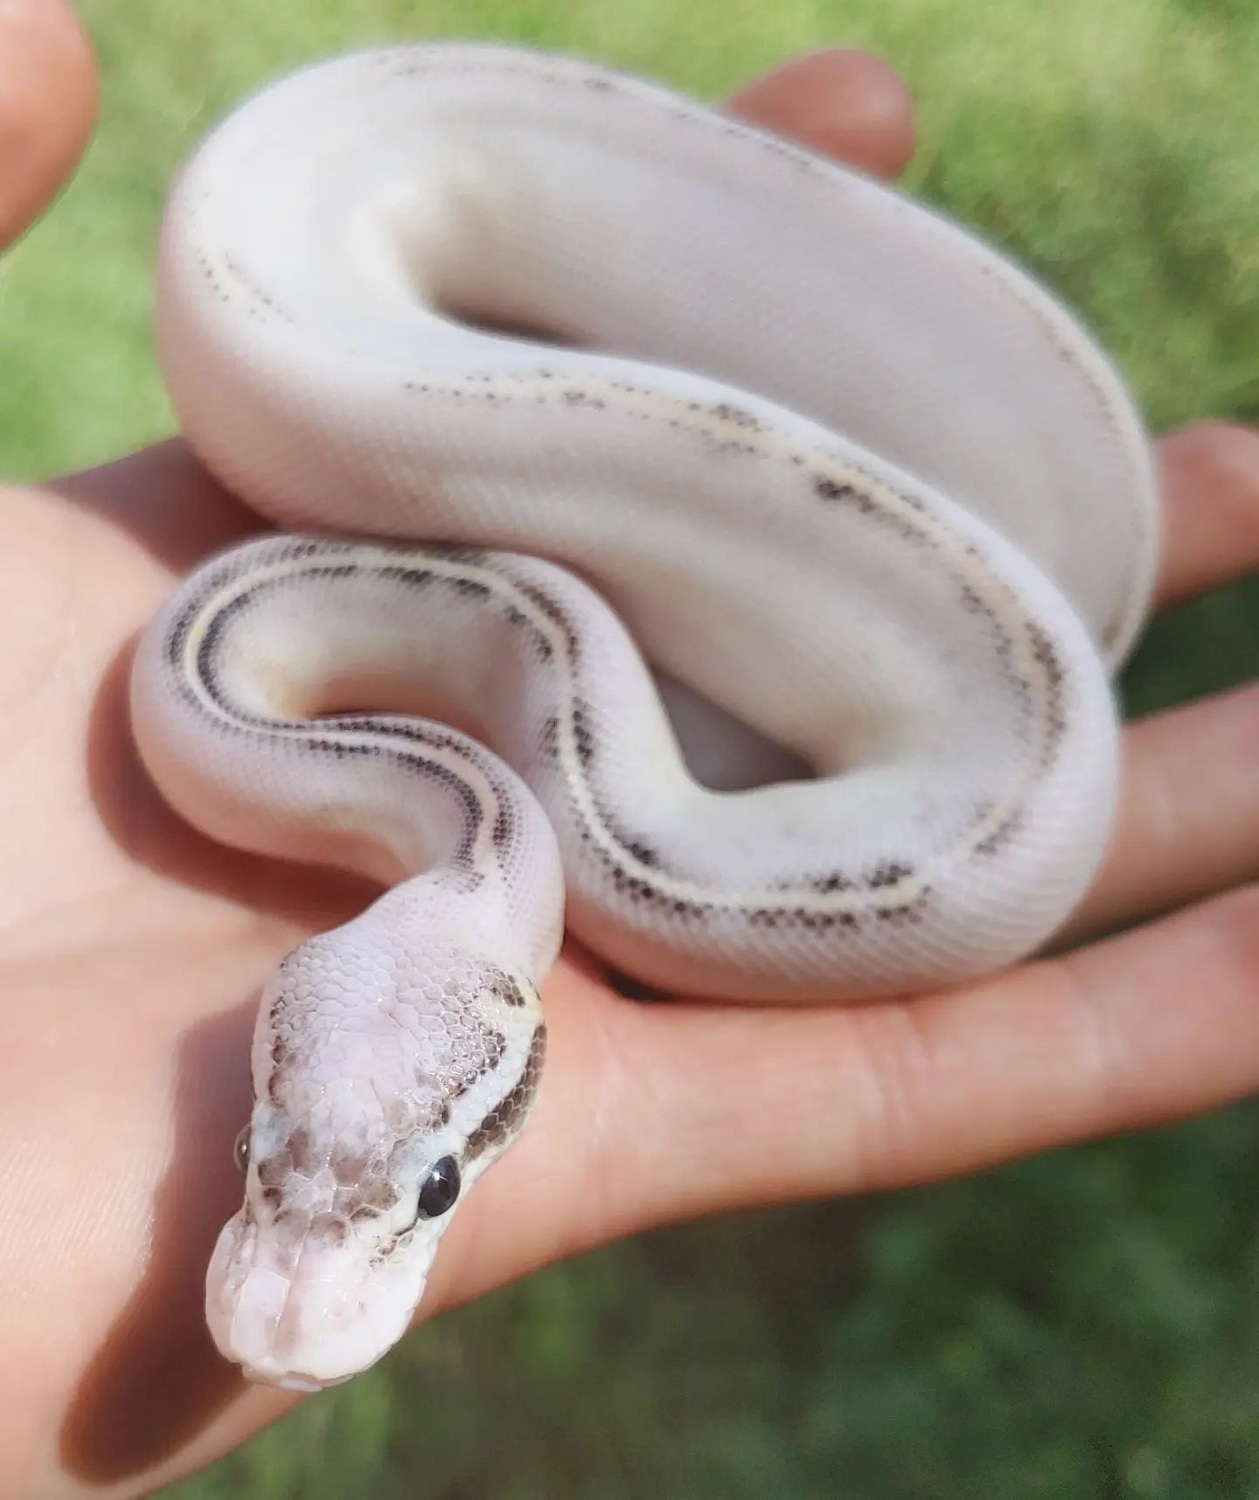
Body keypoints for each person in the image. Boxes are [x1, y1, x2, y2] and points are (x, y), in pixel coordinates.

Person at [3, 1, 1258, 1492]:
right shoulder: (448, 814)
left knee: (1069, 583)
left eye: (434, 1182)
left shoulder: (395, 780)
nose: (299, 1260)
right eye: (285, 1156)